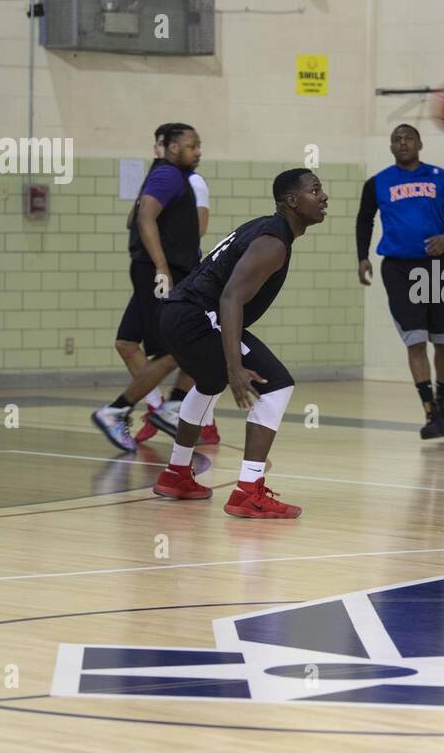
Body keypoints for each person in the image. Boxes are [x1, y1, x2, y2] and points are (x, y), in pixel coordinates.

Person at [151, 168, 327, 518]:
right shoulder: (272, 243)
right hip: (197, 317)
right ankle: (248, 490)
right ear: (292, 201)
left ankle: (176, 474)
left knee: (209, 383)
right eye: (315, 190)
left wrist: (226, 368)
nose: (323, 197)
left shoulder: (265, 229)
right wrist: (235, 367)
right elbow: (230, 299)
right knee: (276, 385)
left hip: (177, 315)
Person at [92, 124, 203, 450]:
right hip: (162, 273)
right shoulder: (169, 175)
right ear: (171, 148)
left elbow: (135, 216)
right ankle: (121, 409)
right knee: (178, 348)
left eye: (199, 146)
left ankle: (163, 407)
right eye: (191, 146)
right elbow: (143, 218)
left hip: (152, 271)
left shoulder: (164, 175)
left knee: (128, 342)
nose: (198, 152)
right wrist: (162, 267)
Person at [356, 123, 444, 438]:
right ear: (391, 147)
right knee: (415, 339)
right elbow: (364, 219)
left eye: (408, 138)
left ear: (420, 143)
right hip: (398, 269)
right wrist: (362, 256)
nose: (402, 142)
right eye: (396, 139)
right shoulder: (377, 183)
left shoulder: (440, 178)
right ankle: (430, 412)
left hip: (435, 267)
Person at [118, 123, 220, 446]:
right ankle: (160, 408)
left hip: (180, 270)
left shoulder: (189, 180)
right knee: (131, 344)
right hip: (158, 267)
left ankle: (181, 411)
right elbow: (135, 219)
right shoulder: (162, 176)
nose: (158, 149)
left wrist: (164, 263)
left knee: (185, 344)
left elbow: (198, 229)